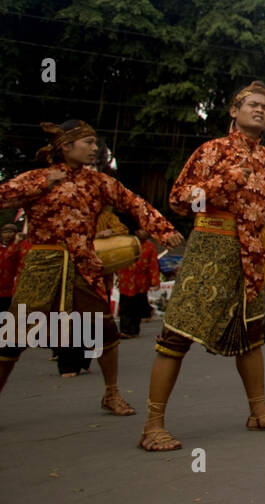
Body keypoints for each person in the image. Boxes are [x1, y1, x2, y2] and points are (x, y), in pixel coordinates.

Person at [139, 82, 265, 451]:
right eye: (253, 105)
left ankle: (259, 412)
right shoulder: (212, 151)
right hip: (210, 245)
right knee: (176, 334)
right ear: (234, 111)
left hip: (252, 253)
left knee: (251, 334)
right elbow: (181, 200)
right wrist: (220, 182)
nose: (260, 111)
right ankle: (153, 426)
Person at [0, 120, 181, 415]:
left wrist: (163, 229)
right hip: (43, 264)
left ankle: (112, 393)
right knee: (13, 336)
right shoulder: (37, 177)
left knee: (104, 330)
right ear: (66, 146)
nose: (95, 148)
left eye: (96, 143)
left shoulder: (98, 182)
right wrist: (41, 185)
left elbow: (133, 202)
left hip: (85, 264)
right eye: (89, 143)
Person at [116, 227, 162, 338]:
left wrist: (155, 281)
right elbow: (118, 259)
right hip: (126, 280)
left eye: (146, 231)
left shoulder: (150, 247)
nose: (143, 233)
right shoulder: (126, 244)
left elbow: (153, 265)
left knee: (136, 307)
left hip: (141, 282)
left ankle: (134, 330)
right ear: (136, 231)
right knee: (125, 306)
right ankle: (125, 330)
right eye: (141, 230)